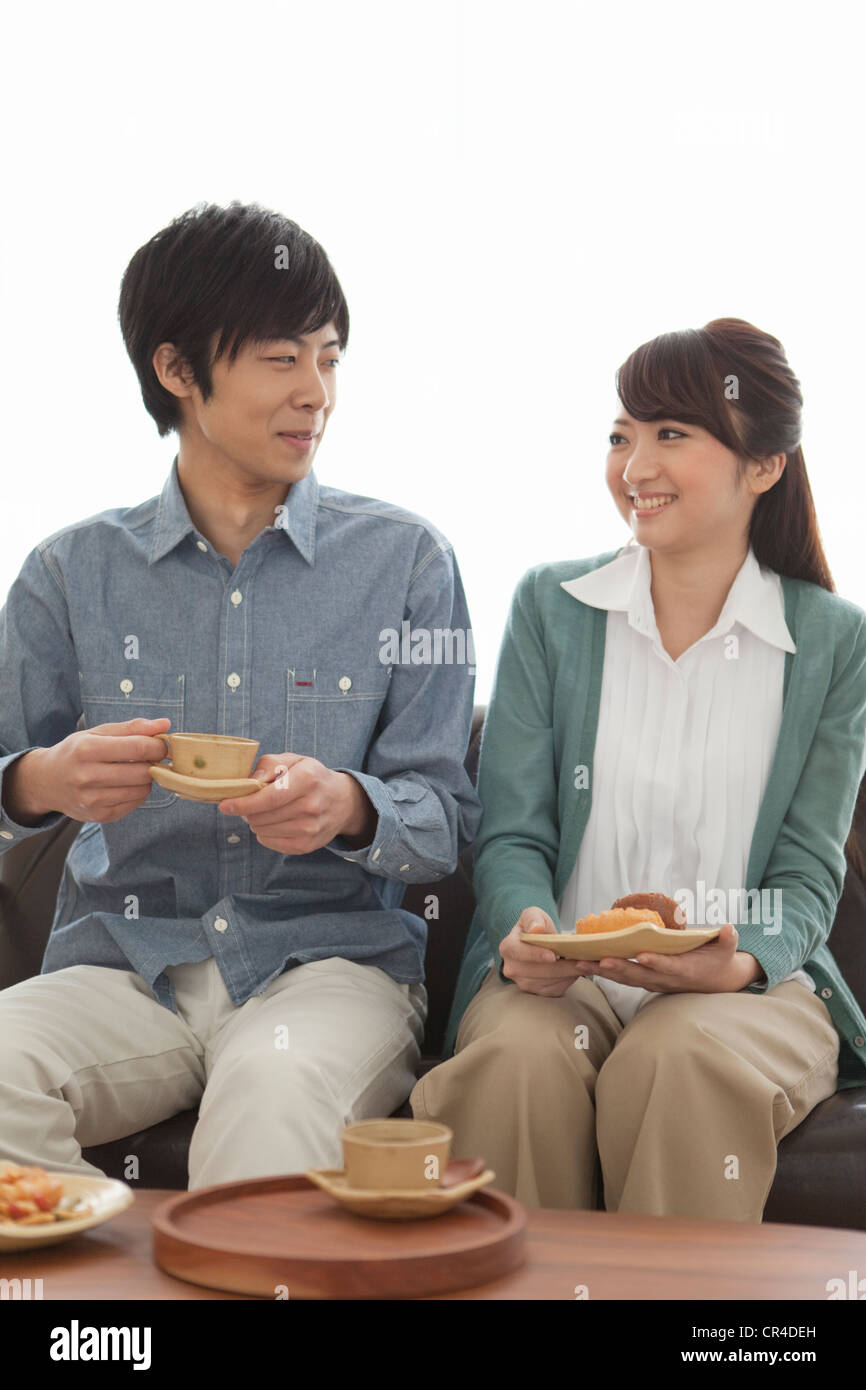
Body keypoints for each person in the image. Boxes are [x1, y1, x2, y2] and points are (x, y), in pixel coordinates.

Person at [0, 201, 480, 1188]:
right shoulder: (68, 572)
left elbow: (445, 819)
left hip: (331, 968)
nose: (316, 393)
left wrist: (347, 807)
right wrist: (44, 779)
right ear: (177, 370)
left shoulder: (406, 563)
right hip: (123, 965)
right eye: (279, 358)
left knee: (268, 1095)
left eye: (330, 358)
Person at [411, 318, 866, 1221]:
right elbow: (512, 834)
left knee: (680, 1055)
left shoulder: (831, 642)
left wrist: (737, 966)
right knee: (516, 1064)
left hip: (747, 990)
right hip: (556, 982)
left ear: (764, 464)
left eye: (671, 435)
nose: (634, 465)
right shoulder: (552, 607)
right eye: (622, 435)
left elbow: (808, 870)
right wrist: (526, 927)